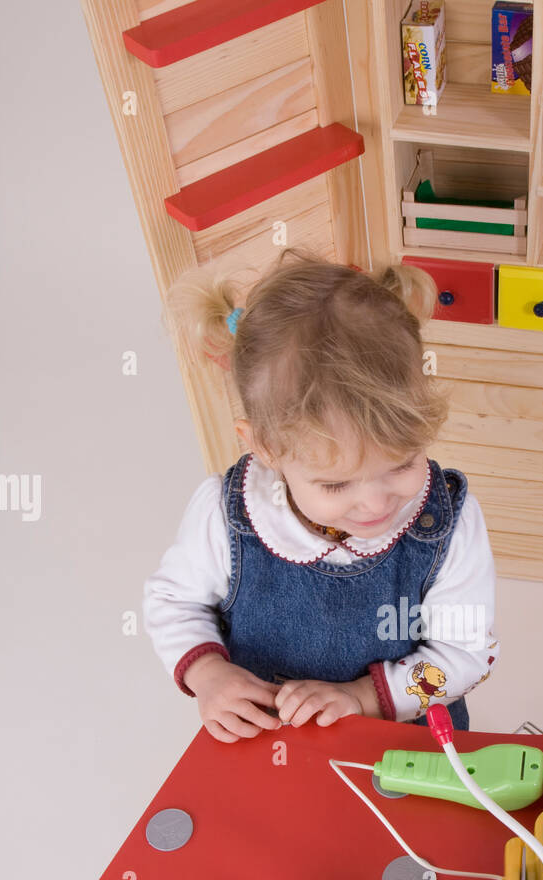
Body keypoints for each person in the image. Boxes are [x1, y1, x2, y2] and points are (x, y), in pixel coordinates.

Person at [143, 248, 499, 743]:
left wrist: (362, 698)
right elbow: (173, 602)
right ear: (265, 447)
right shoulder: (226, 516)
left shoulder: (447, 523)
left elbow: (462, 656)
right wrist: (207, 673)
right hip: (267, 739)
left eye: (401, 464)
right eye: (335, 484)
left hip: (406, 743)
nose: (376, 505)